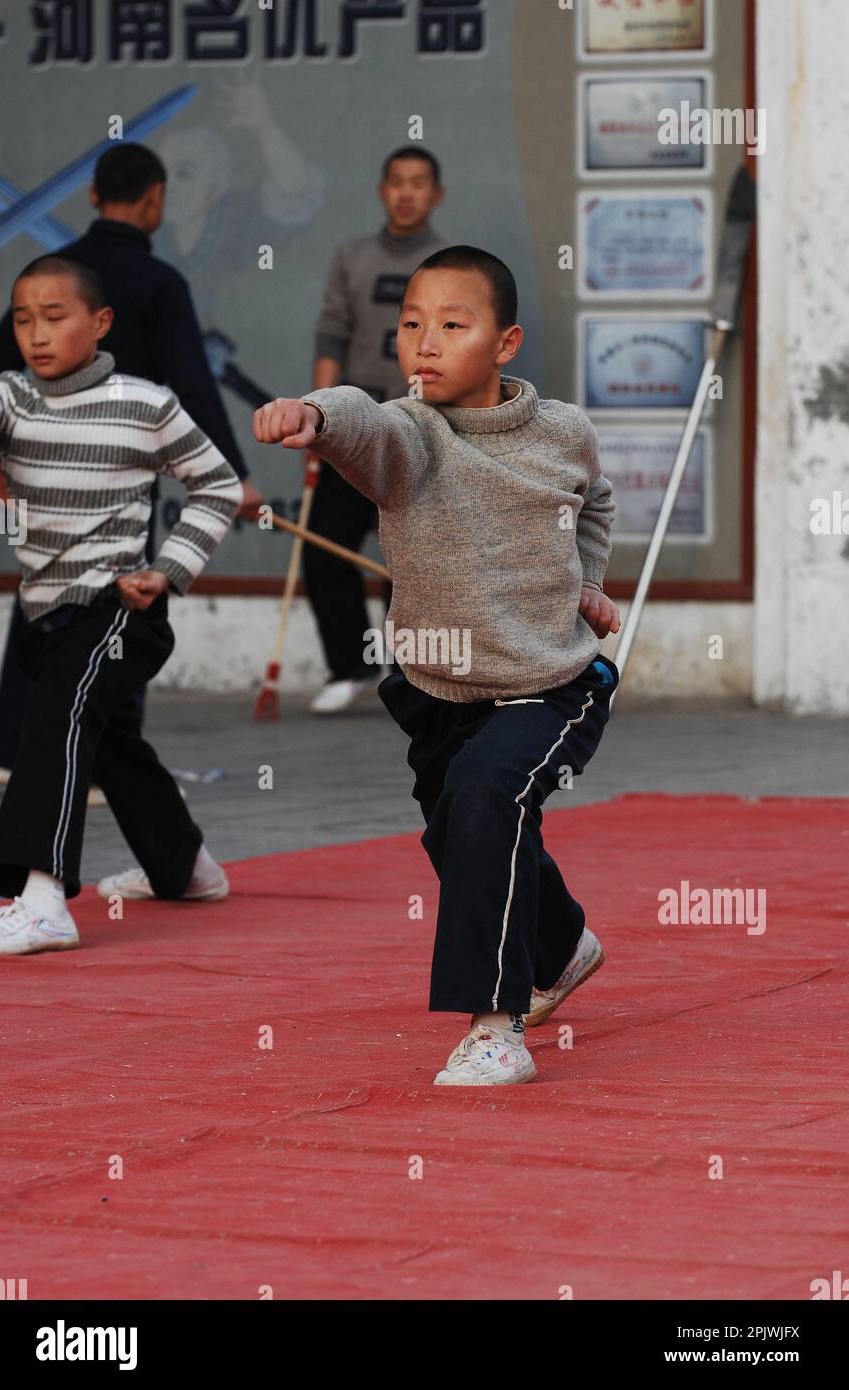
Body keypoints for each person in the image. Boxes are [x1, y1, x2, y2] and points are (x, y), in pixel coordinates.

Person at [253, 246, 621, 1086]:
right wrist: (314, 414)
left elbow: (592, 501)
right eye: (411, 326)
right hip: (435, 689)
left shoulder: (563, 431)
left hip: (548, 679)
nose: (425, 343)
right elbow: (362, 417)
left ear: (505, 342)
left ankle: (494, 1027)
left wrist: (589, 583)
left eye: (452, 326)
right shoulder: (411, 437)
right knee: (459, 826)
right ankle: (562, 945)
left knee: (490, 795)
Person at [0, 255, 242, 956]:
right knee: (108, 742)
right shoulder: (11, 399)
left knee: (59, 715)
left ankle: (41, 898)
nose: (36, 333)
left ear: (99, 323)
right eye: (23, 318)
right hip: (46, 611)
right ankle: (185, 868)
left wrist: (168, 569)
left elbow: (216, 487)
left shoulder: (146, 402)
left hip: (122, 607)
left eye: (55, 315)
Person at [0, 142, 263, 782]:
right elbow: (192, 385)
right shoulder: (159, 283)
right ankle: (97, 761)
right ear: (155, 201)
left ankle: (10, 751)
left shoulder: (51, 277)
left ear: (91, 196)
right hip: (117, 474)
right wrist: (234, 476)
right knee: (118, 609)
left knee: (42, 593)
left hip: (41, 470)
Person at [304, 146, 448, 713]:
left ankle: (408, 672)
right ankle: (349, 667)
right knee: (324, 552)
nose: (406, 192)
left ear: (436, 195)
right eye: (396, 182)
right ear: (381, 191)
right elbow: (331, 335)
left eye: (418, 183)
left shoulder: (449, 262)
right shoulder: (352, 256)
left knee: (408, 554)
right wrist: (318, 416)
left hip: (424, 424)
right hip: (356, 422)